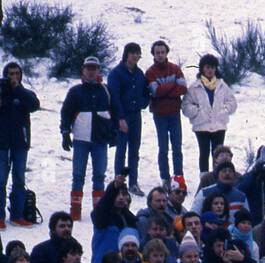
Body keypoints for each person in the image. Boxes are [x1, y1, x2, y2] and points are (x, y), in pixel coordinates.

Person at [59, 57, 115, 222]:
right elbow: (66, 112)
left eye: (94, 68)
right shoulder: (75, 91)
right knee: (78, 175)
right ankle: (75, 209)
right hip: (80, 139)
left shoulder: (106, 90)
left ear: (99, 70)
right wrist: (65, 132)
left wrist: (114, 132)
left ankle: (99, 210)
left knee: (99, 175)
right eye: (88, 68)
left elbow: (114, 111)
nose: (91, 72)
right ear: (83, 70)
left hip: (100, 139)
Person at [181, 54, 238, 175]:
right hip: (201, 126)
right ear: (202, 68)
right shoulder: (195, 87)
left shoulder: (222, 85)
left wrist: (224, 110)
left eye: (212, 67)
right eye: (207, 67)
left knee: (218, 154)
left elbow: (232, 102)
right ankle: (204, 178)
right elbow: (185, 105)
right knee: (204, 153)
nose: (210, 70)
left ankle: (219, 176)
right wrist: (197, 112)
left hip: (219, 125)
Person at [0, 63, 39, 230]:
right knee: (0, 180)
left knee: (19, 179)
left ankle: (17, 215)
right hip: (2, 144)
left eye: (17, 73)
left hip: (20, 143)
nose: (14, 77)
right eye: (10, 74)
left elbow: (34, 105)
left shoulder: (25, 93)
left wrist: (18, 89)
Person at [107, 43, 148, 197]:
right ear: (126, 54)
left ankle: (133, 182)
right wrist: (120, 118)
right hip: (122, 116)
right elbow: (114, 98)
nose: (135, 56)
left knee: (134, 150)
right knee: (121, 150)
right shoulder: (116, 74)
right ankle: (119, 183)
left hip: (136, 115)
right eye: (133, 53)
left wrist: (143, 103)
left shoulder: (139, 73)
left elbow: (145, 92)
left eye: (138, 53)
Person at [145, 40, 186, 184]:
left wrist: (164, 89)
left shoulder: (175, 68)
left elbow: (183, 88)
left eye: (163, 52)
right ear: (153, 54)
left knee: (177, 147)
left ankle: (178, 177)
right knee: (163, 148)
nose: (160, 55)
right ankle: (165, 178)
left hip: (174, 113)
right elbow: (155, 91)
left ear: (167, 52)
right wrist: (172, 85)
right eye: (157, 53)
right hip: (159, 114)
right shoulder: (150, 72)